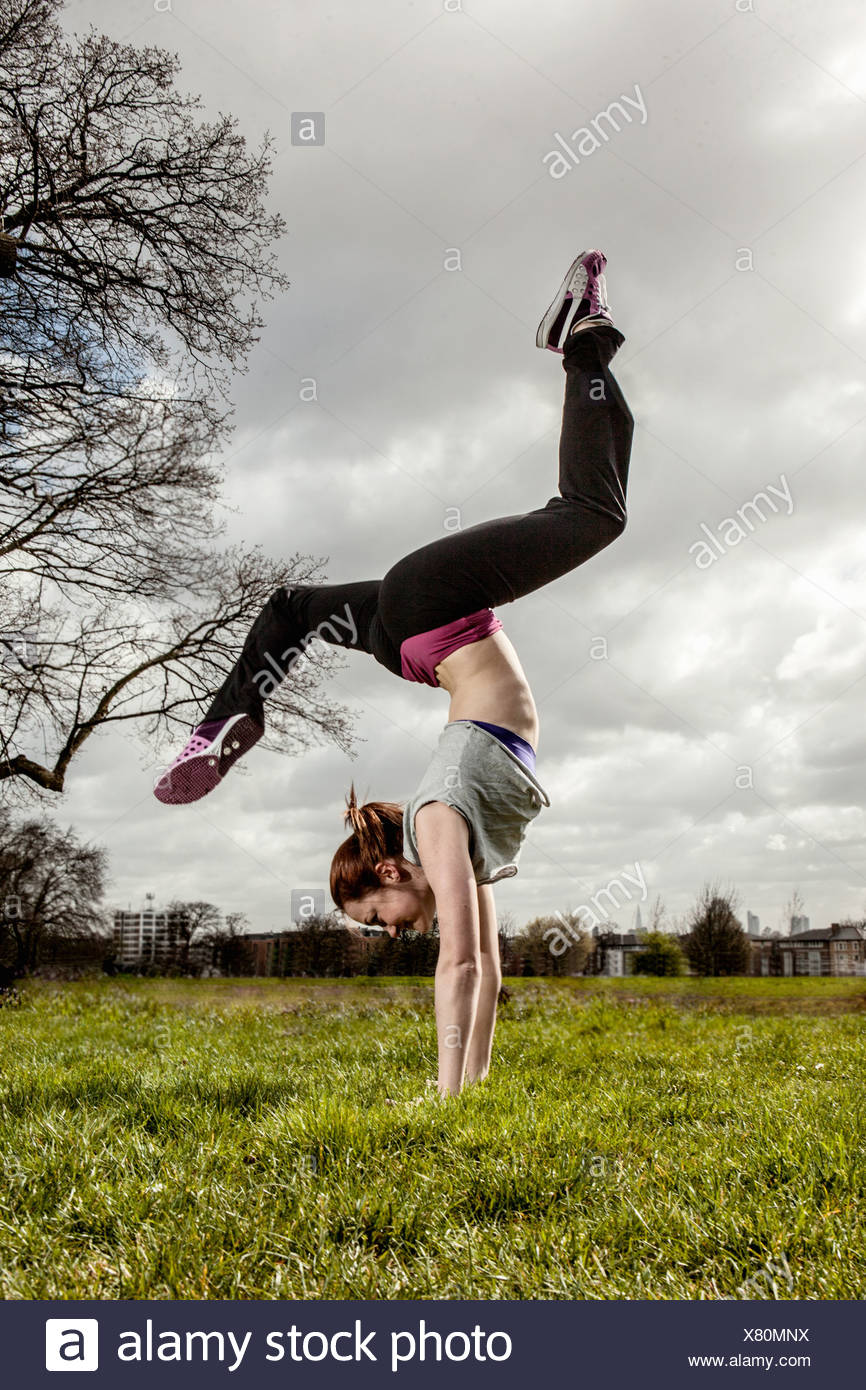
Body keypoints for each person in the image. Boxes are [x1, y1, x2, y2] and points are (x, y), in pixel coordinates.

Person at [154, 248, 634, 1097]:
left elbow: (455, 964)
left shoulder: (437, 820)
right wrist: (470, 1094)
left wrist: (443, 1101)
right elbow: (484, 965)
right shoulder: (449, 829)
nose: (385, 932)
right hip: (411, 640)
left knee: (591, 515)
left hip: (425, 609)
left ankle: (580, 347)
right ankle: (229, 717)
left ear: (387, 876)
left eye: (373, 920)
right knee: (295, 608)